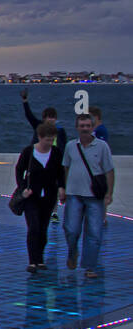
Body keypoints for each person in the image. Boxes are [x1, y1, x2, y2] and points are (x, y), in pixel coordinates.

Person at [61, 113, 115, 278]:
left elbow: (109, 171)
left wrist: (109, 193)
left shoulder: (102, 146)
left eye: (88, 126)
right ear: (77, 128)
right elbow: (66, 168)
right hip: (74, 194)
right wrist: (64, 189)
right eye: (82, 126)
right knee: (71, 229)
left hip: (95, 196)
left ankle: (89, 267)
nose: (85, 129)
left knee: (94, 233)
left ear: (92, 127)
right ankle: (73, 252)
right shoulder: (70, 146)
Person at [14, 121, 65, 273]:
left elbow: (60, 172)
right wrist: (22, 188)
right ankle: (32, 261)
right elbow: (19, 170)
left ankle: (40, 259)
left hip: (49, 197)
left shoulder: (56, 153)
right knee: (33, 227)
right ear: (40, 137)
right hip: (31, 196)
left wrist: (61, 187)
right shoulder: (29, 152)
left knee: (43, 229)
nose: (49, 143)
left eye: (52, 140)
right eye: (47, 139)